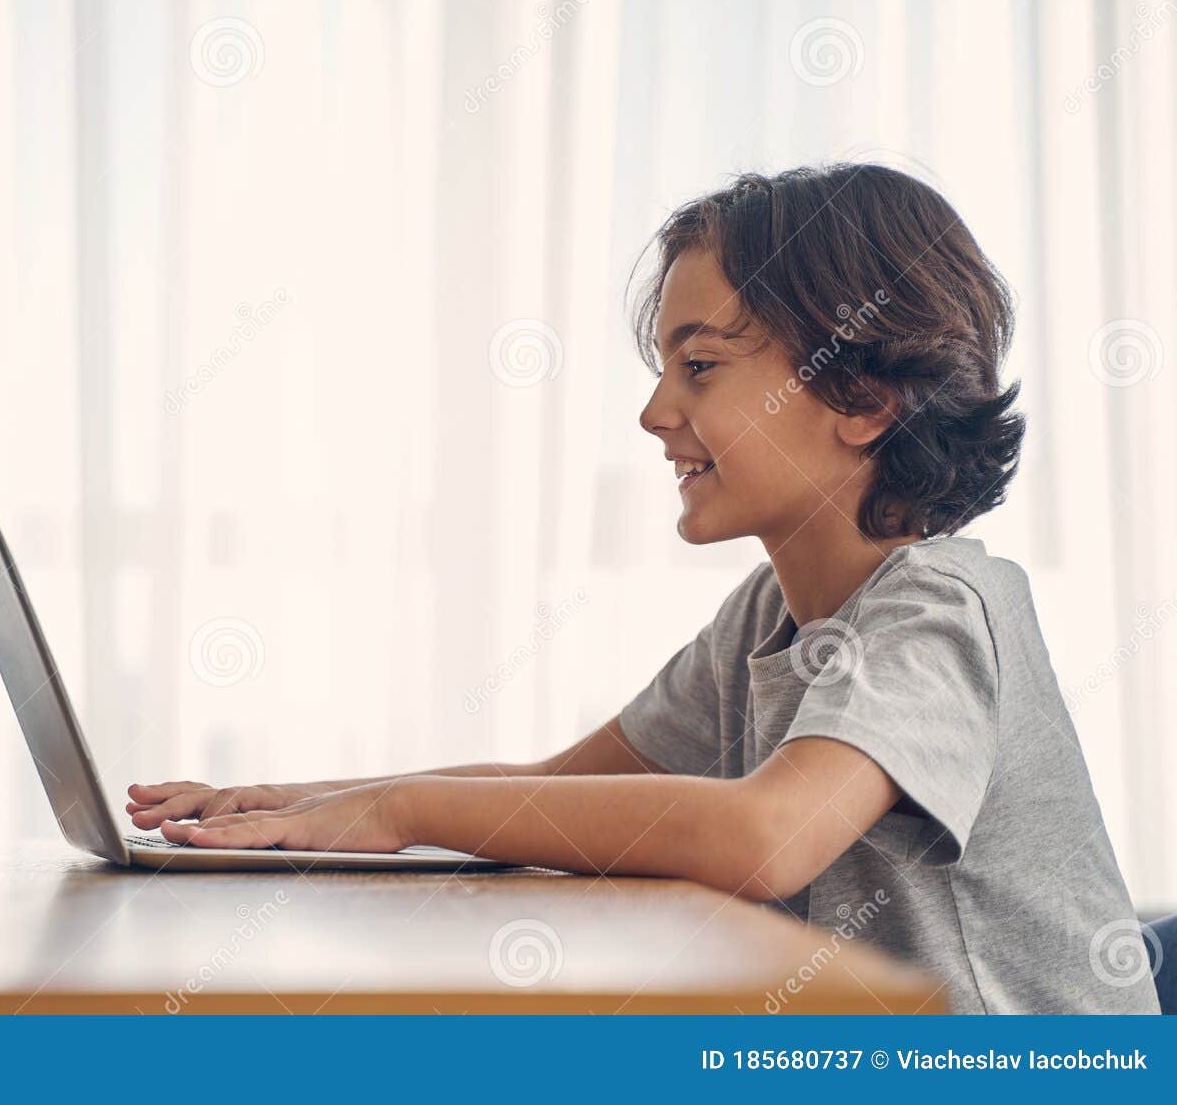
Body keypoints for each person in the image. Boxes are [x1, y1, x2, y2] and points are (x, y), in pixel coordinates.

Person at [129, 164, 1160, 1014]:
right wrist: (305, 803)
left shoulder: (940, 608)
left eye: (700, 367)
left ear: (860, 397)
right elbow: (561, 786)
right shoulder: (772, 614)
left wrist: (399, 811)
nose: (654, 412)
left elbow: (767, 834)